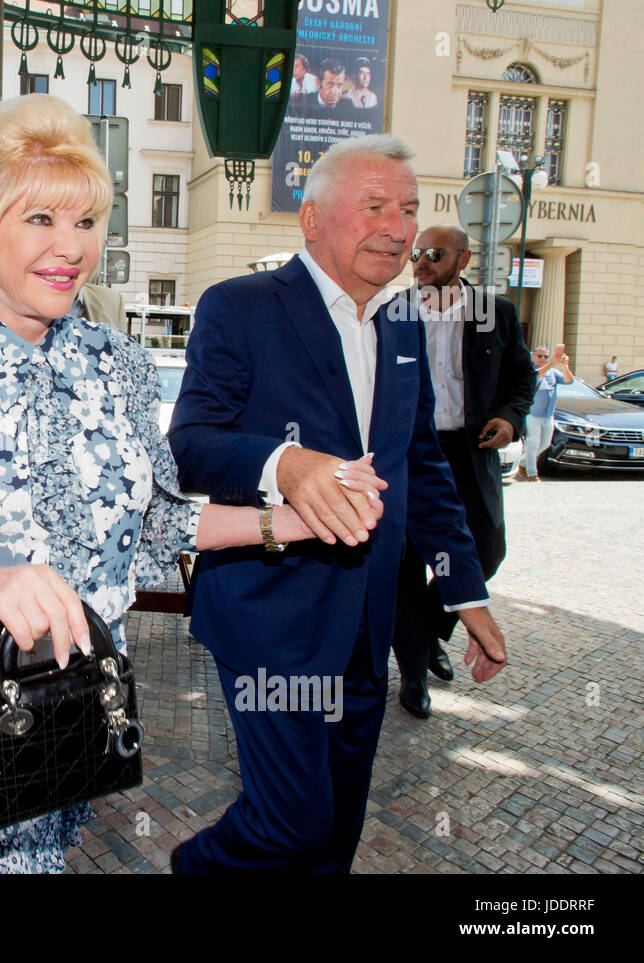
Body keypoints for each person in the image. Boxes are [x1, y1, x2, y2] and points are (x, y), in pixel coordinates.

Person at [0, 94, 383, 874]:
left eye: (86, 222)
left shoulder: (115, 366)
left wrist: (292, 519)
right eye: (39, 220)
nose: (69, 248)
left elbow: (156, 527)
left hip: (73, 718)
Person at [168, 135, 509, 874]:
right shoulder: (241, 307)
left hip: (367, 626)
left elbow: (420, 465)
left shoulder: (404, 323)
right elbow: (190, 444)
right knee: (291, 822)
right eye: (376, 205)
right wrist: (283, 464)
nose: (398, 226)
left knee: (337, 831)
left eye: (410, 209)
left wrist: (466, 591)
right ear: (312, 219)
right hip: (271, 618)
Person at [390, 226, 535, 718]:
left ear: (464, 259)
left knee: (486, 548)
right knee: (406, 566)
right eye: (416, 253)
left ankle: (431, 629)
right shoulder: (393, 311)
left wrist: (511, 420)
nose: (421, 261)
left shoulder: (497, 314)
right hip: (409, 453)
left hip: (470, 450)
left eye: (434, 254)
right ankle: (413, 675)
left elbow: (522, 379)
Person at [520, 344, 573, 481]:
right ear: (533, 356)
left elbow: (569, 381)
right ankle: (532, 474)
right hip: (532, 414)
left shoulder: (553, 372)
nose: (543, 358)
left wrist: (564, 366)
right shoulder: (529, 369)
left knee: (545, 443)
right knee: (533, 443)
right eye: (540, 356)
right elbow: (536, 375)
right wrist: (552, 363)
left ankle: (522, 462)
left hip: (548, 415)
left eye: (546, 356)